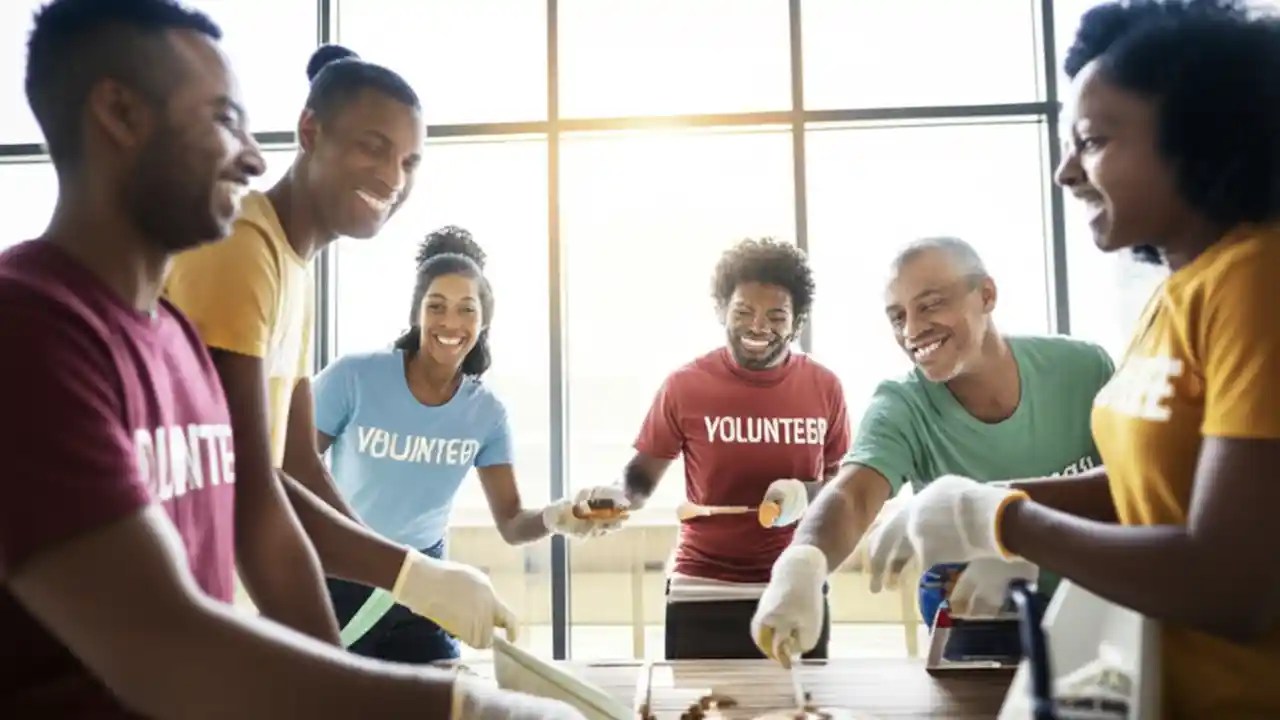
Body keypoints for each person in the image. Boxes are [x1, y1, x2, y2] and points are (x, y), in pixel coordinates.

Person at [0, 1, 582, 718]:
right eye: (223, 119)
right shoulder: (28, 334)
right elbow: (164, 639)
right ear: (118, 113)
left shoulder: (178, 342)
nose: (250, 155)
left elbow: (263, 504)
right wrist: (457, 706)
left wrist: (395, 600)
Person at [850, 2, 1280, 716]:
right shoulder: (1173, 297)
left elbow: (1234, 584)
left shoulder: (1257, 280)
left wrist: (1001, 519)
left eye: (1093, 140)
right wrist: (966, 500)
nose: (1064, 172)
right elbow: (1150, 487)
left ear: (1196, 135)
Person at [163, 43, 542, 650]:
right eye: (373, 146)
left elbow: (300, 466)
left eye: (410, 161)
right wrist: (410, 575)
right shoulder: (241, 252)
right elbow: (245, 481)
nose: (393, 178)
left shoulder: (293, 272)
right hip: (131, 596)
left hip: (188, 591)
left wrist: (394, 579)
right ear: (310, 131)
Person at [748, 236, 1115, 656]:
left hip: (1092, 604)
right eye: (896, 316)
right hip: (978, 613)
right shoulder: (902, 405)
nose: (911, 330)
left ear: (987, 295)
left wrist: (1002, 520)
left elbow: (1136, 490)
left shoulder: (1085, 370)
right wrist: (803, 564)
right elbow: (853, 494)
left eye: (930, 304)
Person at [297, 226, 614, 663]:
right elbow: (290, 463)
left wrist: (560, 516)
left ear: (483, 322)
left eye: (467, 309)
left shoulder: (485, 414)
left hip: (425, 589)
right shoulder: (353, 378)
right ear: (416, 314)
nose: (451, 323)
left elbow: (511, 523)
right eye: (437, 307)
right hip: (343, 571)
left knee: (448, 699)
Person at [578, 238, 851, 660]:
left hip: (792, 586)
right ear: (722, 311)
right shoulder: (685, 386)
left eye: (776, 316)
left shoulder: (825, 388)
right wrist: (618, 497)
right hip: (701, 587)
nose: (758, 327)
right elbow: (641, 476)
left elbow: (844, 489)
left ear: (796, 323)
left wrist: (803, 494)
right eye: (743, 312)